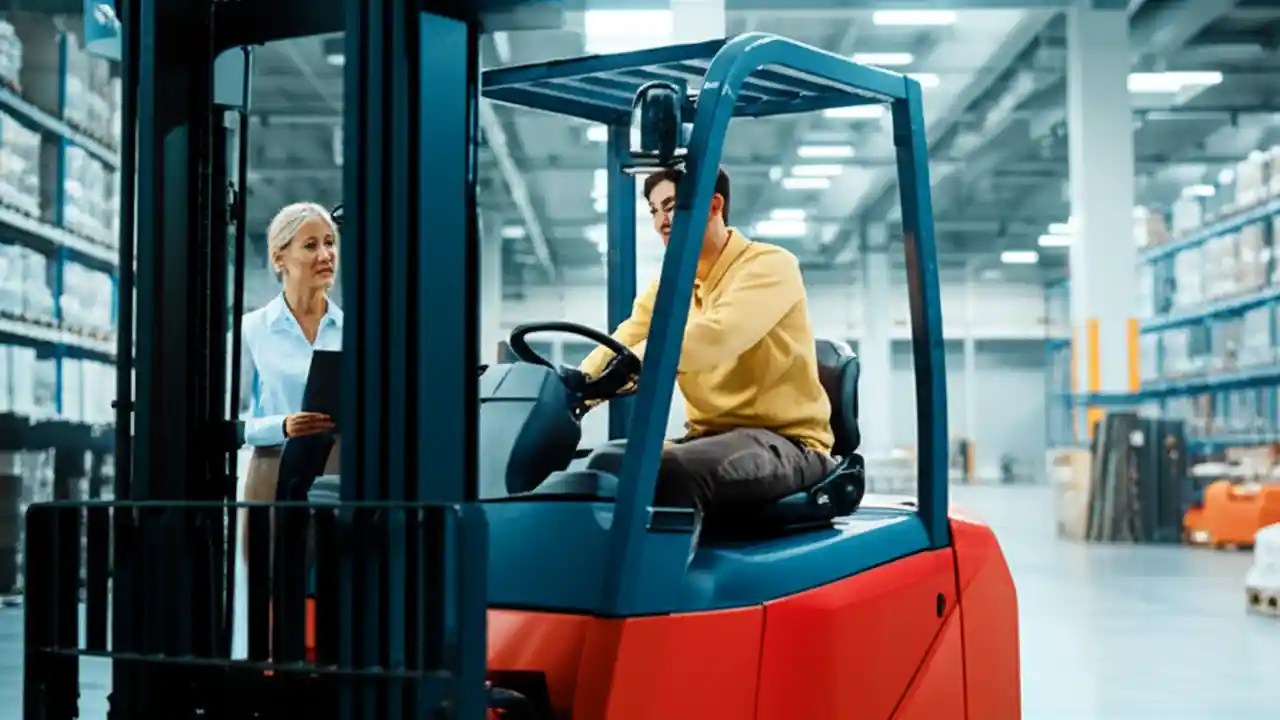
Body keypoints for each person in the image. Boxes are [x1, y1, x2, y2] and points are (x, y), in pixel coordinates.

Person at [579, 166, 835, 521]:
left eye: (671, 207)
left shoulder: (770, 265)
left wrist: (633, 363)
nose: (661, 222)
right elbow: (625, 338)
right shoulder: (672, 285)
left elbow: (719, 334)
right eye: (654, 211)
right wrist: (575, 388)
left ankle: (661, 560)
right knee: (607, 464)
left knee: (673, 473)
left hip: (787, 442)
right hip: (709, 438)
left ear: (714, 206)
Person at [239, 201, 342, 561]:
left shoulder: (352, 331)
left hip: (336, 473)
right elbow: (229, 423)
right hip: (272, 470)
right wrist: (281, 426)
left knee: (332, 581)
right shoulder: (252, 330)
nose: (326, 255)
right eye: (311, 245)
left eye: (330, 243)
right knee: (271, 579)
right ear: (279, 258)